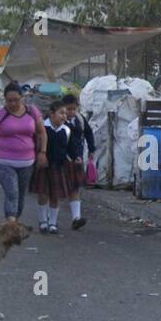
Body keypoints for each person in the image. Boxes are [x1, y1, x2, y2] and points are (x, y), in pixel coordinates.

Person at [0, 83, 47, 221]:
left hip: (27, 162)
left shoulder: (32, 112)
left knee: (21, 195)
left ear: (22, 97)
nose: (12, 103)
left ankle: (14, 222)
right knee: (12, 193)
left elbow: (42, 133)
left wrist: (43, 152)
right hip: (4, 162)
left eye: (16, 100)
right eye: (9, 101)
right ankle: (10, 223)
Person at [29, 100, 82, 234]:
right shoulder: (43, 128)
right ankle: (43, 222)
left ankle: (52, 222)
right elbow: (36, 144)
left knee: (56, 196)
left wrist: (76, 156)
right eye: (61, 113)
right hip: (44, 166)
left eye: (65, 113)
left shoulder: (66, 130)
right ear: (52, 114)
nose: (65, 116)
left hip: (59, 166)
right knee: (43, 194)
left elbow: (71, 147)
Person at [62, 93, 95, 228]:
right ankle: (49, 220)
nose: (71, 112)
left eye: (74, 109)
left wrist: (92, 148)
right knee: (57, 189)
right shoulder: (58, 121)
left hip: (77, 159)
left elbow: (88, 132)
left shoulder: (80, 119)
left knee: (75, 188)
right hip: (62, 159)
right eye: (68, 109)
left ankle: (76, 218)